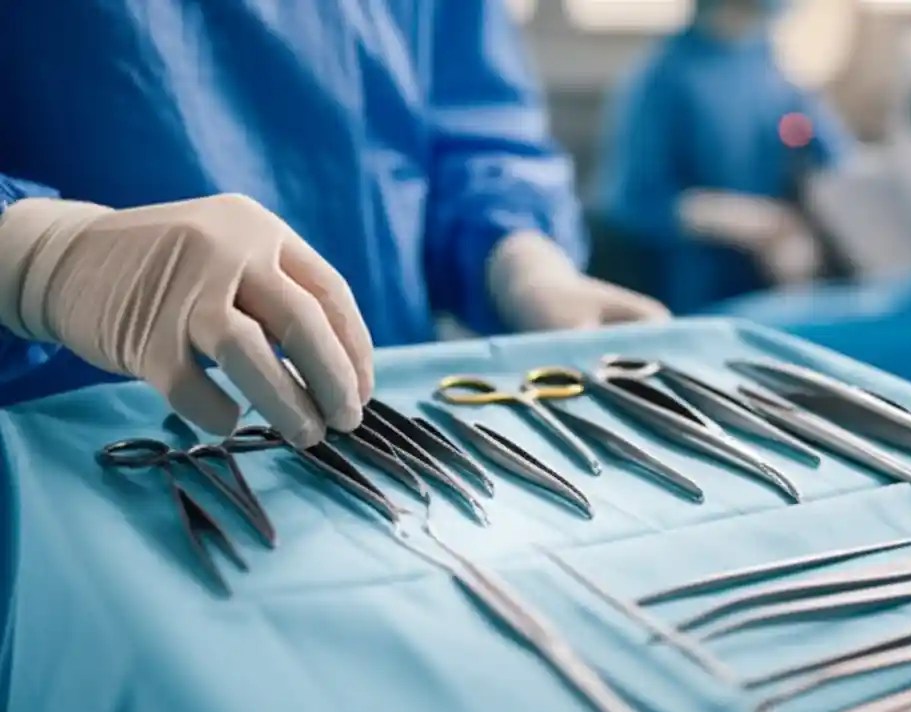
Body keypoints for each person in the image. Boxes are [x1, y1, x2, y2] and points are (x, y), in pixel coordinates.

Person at [0, 1, 668, 448]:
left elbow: (464, 109)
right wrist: (35, 261)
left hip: (376, 421)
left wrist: (516, 256)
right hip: (55, 454)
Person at [592, 0, 853, 314]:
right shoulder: (664, 77)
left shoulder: (765, 65)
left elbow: (825, 149)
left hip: (770, 280)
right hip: (694, 284)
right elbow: (633, 200)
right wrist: (743, 220)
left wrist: (800, 232)